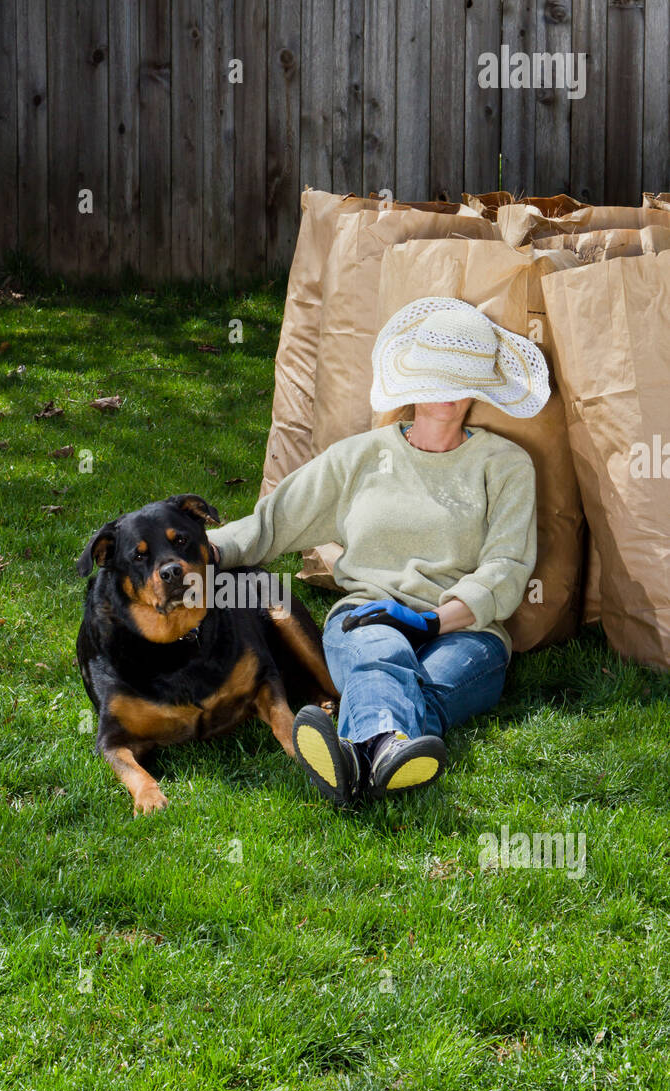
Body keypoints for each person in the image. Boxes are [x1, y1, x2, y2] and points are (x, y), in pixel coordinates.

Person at [207, 298, 550, 806]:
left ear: (478, 388)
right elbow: (270, 524)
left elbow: (507, 566)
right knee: (381, 654)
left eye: (460, 382)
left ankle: (355, 756)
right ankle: (388, 753)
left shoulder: (506, 465)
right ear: (413, 380)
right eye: (436, 378)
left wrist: (432, 622)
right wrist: (197, 556)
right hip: (370, 613)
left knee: (430, 678)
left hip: (468, 630)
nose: (447, 394)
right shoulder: (359, 458)